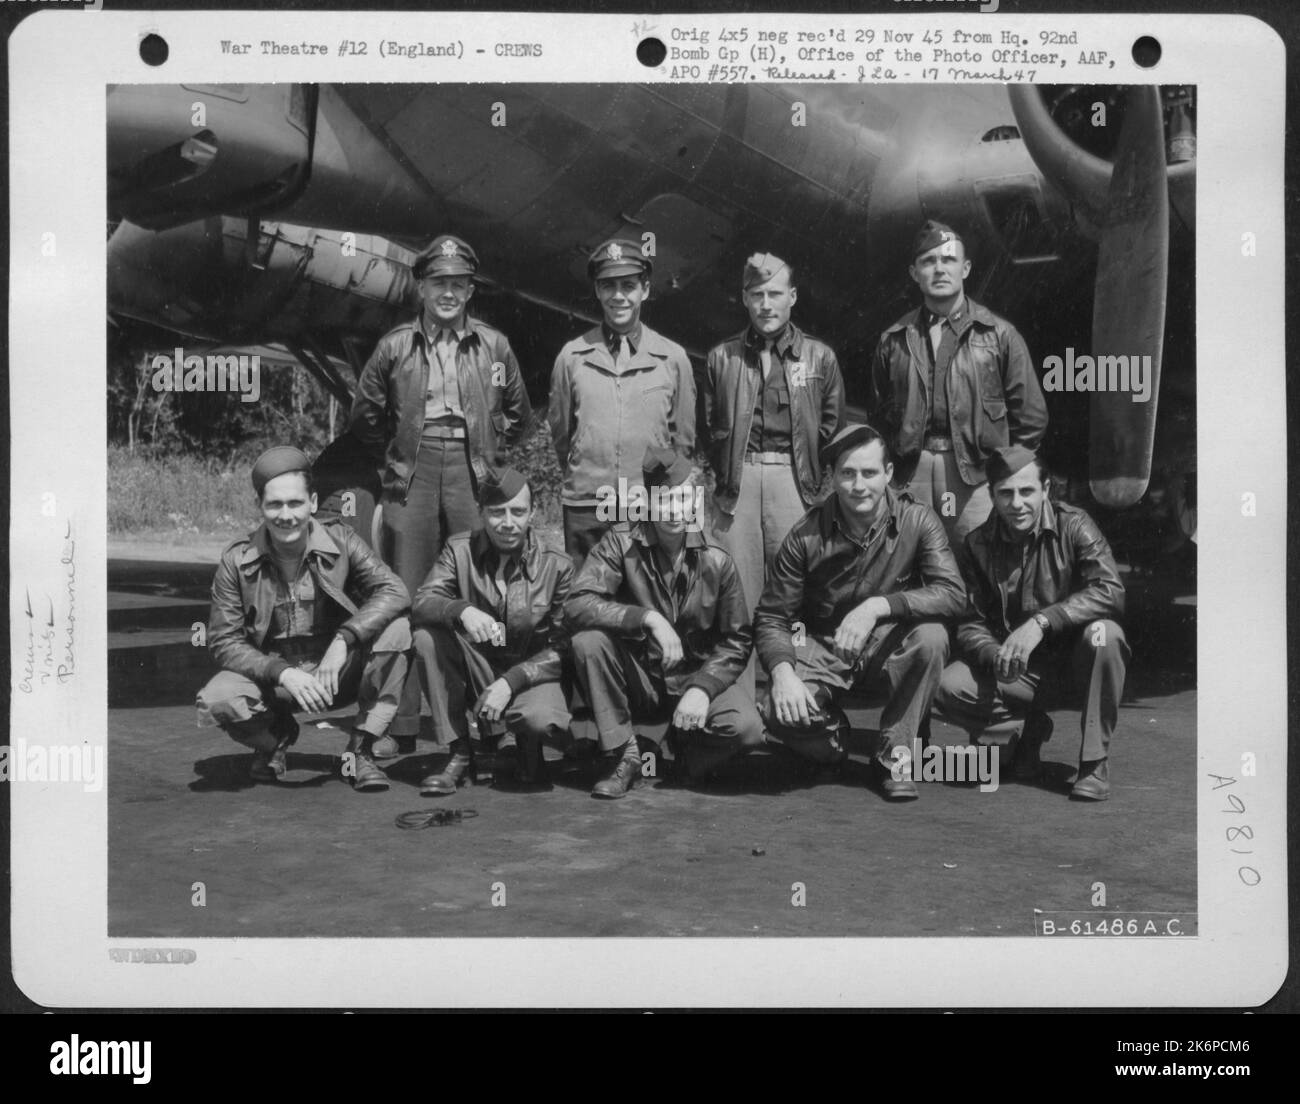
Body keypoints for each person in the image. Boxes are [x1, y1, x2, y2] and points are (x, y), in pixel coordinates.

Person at [346, 233, 531, 749]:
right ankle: (397, 724)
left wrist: (490, 454)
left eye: (458, 284)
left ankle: (483, 720)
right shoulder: (395, 345)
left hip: (474, 473)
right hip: (415, 470)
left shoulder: (493, 345)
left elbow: (519, 413)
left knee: (474, 591)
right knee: (403, 596)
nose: (448, 292)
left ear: (470, 291)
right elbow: (364, 415)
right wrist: (400, 454)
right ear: (421, 287)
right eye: (438, 283)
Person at [753, 425, 965, 800]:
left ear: (888, 475)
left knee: (932, 636)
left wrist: (879, 607)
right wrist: (783, 674)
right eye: (847, 473)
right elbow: (772, 617)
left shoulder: (919, 521)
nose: (859, 485)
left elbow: (951, 593)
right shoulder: (805, 535)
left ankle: (892, 757)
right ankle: (833, 741)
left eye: (869, 473)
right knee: (775, 706)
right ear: (832, 478)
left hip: (886, 652)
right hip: (821, 651)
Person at [196, 446, 410, 790]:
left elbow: (395, 591)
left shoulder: (342, 540)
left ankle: (360, 750)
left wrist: (345, 638)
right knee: (218, 698)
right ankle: (275, 740)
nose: (286, 515)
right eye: (274, 504)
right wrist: (281, 672)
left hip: (338, 673)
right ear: (259, 507)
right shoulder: (236, 561)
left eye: (295, 503)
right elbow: (223, 640)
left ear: (312, 502)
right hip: (276, 683)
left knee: (398, 630)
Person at [564, 448, 763, 798]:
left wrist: (703, 687)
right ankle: (624, 755)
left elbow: (737, 640)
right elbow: (578, 603)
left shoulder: (717, 560)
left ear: (696, 500)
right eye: (664, 499)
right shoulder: (620, 542)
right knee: (588, 641)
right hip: (640, 677)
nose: (674, 509)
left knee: (747, 728)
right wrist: (646, 618)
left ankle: (683, 755)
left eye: (683, 498)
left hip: (692, 677)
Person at [935, 446, 1128, 800]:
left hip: (1073, 665)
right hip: (1016, 673)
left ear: (1046, 490)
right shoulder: (977, 543)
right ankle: (1024, 728)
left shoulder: (1074, 526)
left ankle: (1094, 762)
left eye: (1027, 491)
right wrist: (995, 654)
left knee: (1105, 635)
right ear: (991, 495)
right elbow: (969, 622)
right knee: (947, 685)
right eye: (1005, 493)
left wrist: (1042, 622)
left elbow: (1110, 590)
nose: (1017, 503)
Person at [701, 252, 844, 653]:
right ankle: (739, 691)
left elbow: (832, 428)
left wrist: (813, 480)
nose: (766, 304)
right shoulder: (721, 358)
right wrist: (732, 472)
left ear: (792, 297)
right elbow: (709, 429)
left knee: (795, 589)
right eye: (757, 294)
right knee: (738, 591)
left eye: (775, 293)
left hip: (795, 483)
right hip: (740, 481)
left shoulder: (821, 356)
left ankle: (794, 685)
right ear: (744, 299)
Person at [871, 220, 1047, 543]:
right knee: (909, 562)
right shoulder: (893, 340)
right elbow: (880, 417)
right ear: (914, 273)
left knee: (975, 560)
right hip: (912, 474)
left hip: (976, 476)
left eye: (949, 259)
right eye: (928, 261)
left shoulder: (1000, 336)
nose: (939, 269)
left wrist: (1005, 474)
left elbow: (1031, 418)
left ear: (965, 268)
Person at [410, 466, 574, 794]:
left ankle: (528, 746)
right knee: (426, 638)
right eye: (497, 512)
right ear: (482, 513)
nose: (508, 523)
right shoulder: (459, 551)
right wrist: (460, 609)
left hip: (531, 675)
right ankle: (458, 752)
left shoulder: (558, 565)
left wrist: (512, 681)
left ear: (533, 513)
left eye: (518, 511)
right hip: (479, 667)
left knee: (540, 718)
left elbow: (565, 645)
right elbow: (422, 600)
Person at [547, 237, 696, 567]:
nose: (618, 296)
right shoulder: (572, 356)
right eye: (608, 286)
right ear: (597, 291)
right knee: (583, 602)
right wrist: (586, 468)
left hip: (645, 503)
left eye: (628, 285)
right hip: (587, 502)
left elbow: (683, 441)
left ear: (644, 290)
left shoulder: (672, 358)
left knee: (646, 602)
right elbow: (561, 432)